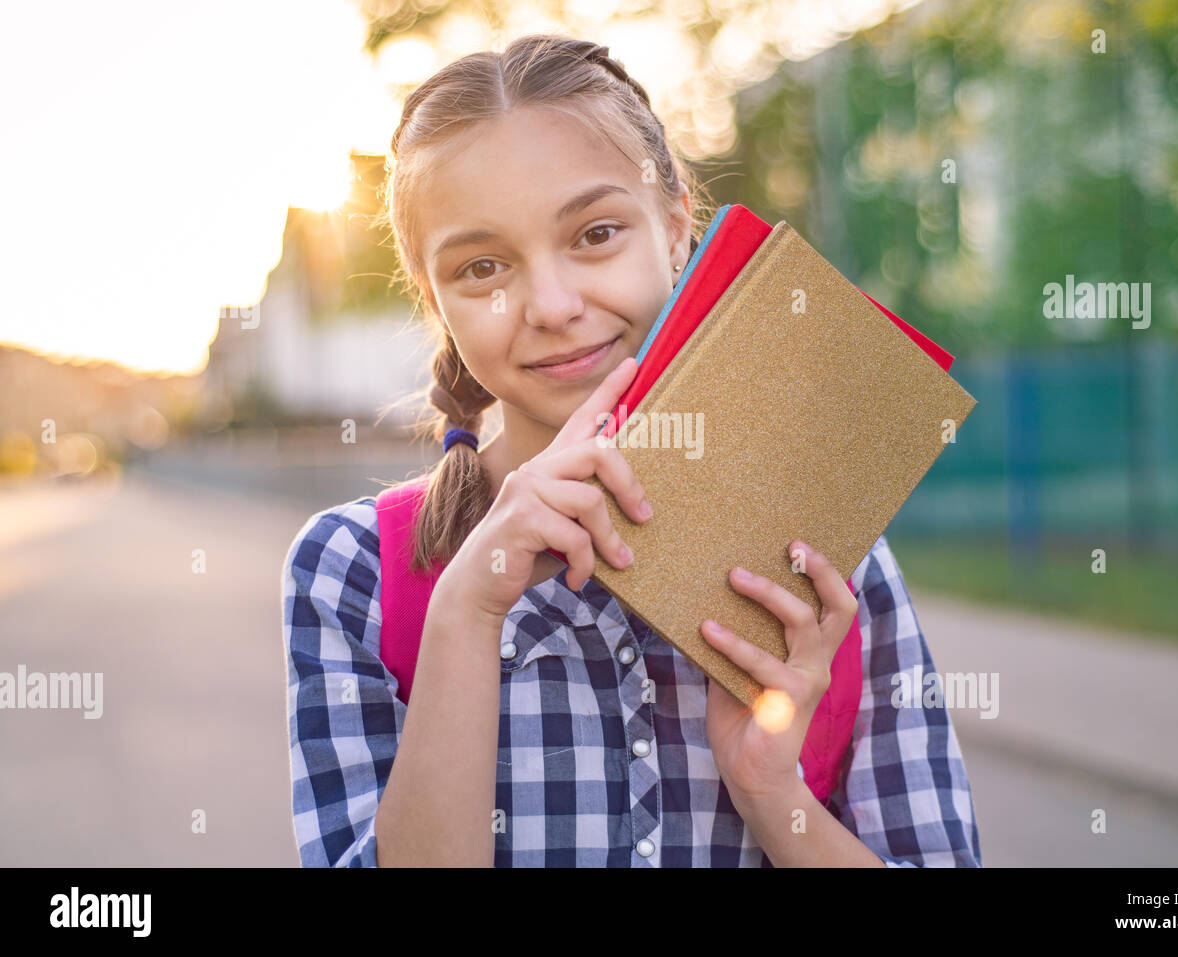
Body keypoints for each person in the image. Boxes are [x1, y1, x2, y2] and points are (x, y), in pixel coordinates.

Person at [280, 33, 981, 867]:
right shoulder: (352, 571)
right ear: (435, 303)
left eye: (596, 233)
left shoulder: (829, 556)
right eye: (483, 267)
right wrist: (466, 612)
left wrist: (771, 792)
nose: (551, 303)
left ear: (677, 227)